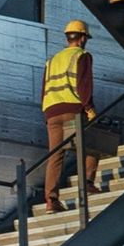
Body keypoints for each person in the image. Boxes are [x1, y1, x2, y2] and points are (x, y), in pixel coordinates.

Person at [40, 17, 96, 213]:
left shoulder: (51, 61)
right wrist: (89, 108)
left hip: (52, 112)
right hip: (72, 109)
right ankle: (87, 182)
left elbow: (43, 89)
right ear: (82, 39)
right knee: (91, 145)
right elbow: (84, 85)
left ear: (67, 39)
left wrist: (47, 112)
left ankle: (51, 200)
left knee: (55, 155)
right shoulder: (82, 55)